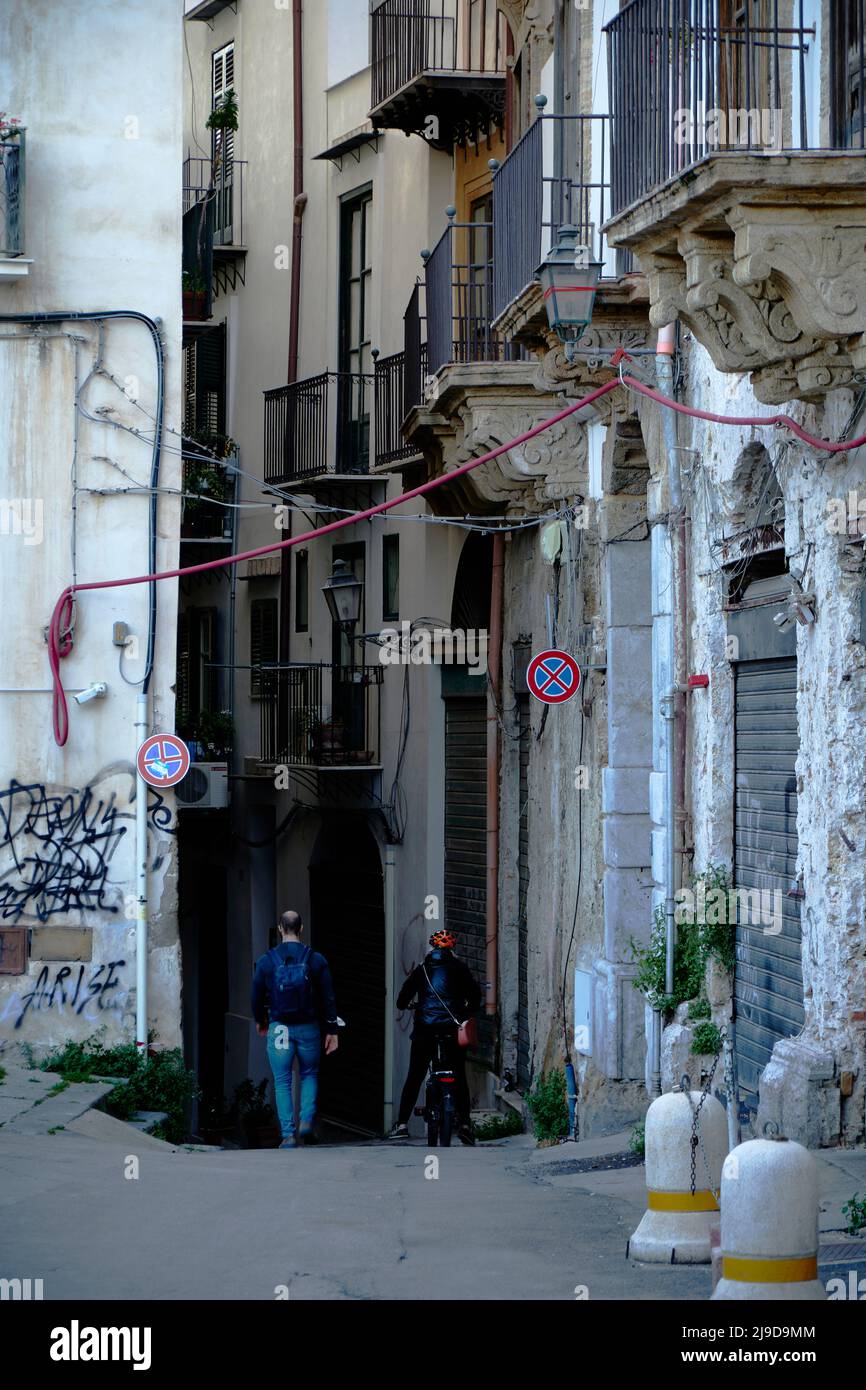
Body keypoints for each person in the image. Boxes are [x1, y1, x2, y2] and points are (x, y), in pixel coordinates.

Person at [251, 909, 339, 1149]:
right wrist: (332, 1029)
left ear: (280, 929)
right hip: (308, 1027)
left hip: (279, 1028)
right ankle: (307, 1120)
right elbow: (328, 996)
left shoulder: (267, 961)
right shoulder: (315, 959)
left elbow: (256, 994)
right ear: (301, 929)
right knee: (309, 1073)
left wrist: (261, 1020)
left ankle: (288, 1135)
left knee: (282, 1080)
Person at [388, 928, 482, 1145]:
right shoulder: (460, 968)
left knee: (415, 1075)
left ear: (431, 948)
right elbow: (475, 997)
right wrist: (464, 1011)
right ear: (452, 949)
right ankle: (466, 1125)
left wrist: (413, 1005)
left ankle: (402, 1124)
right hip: (452, 1029)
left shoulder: (421, 970)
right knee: (459, 1075)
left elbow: (401, 1001)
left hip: (425, 1031)